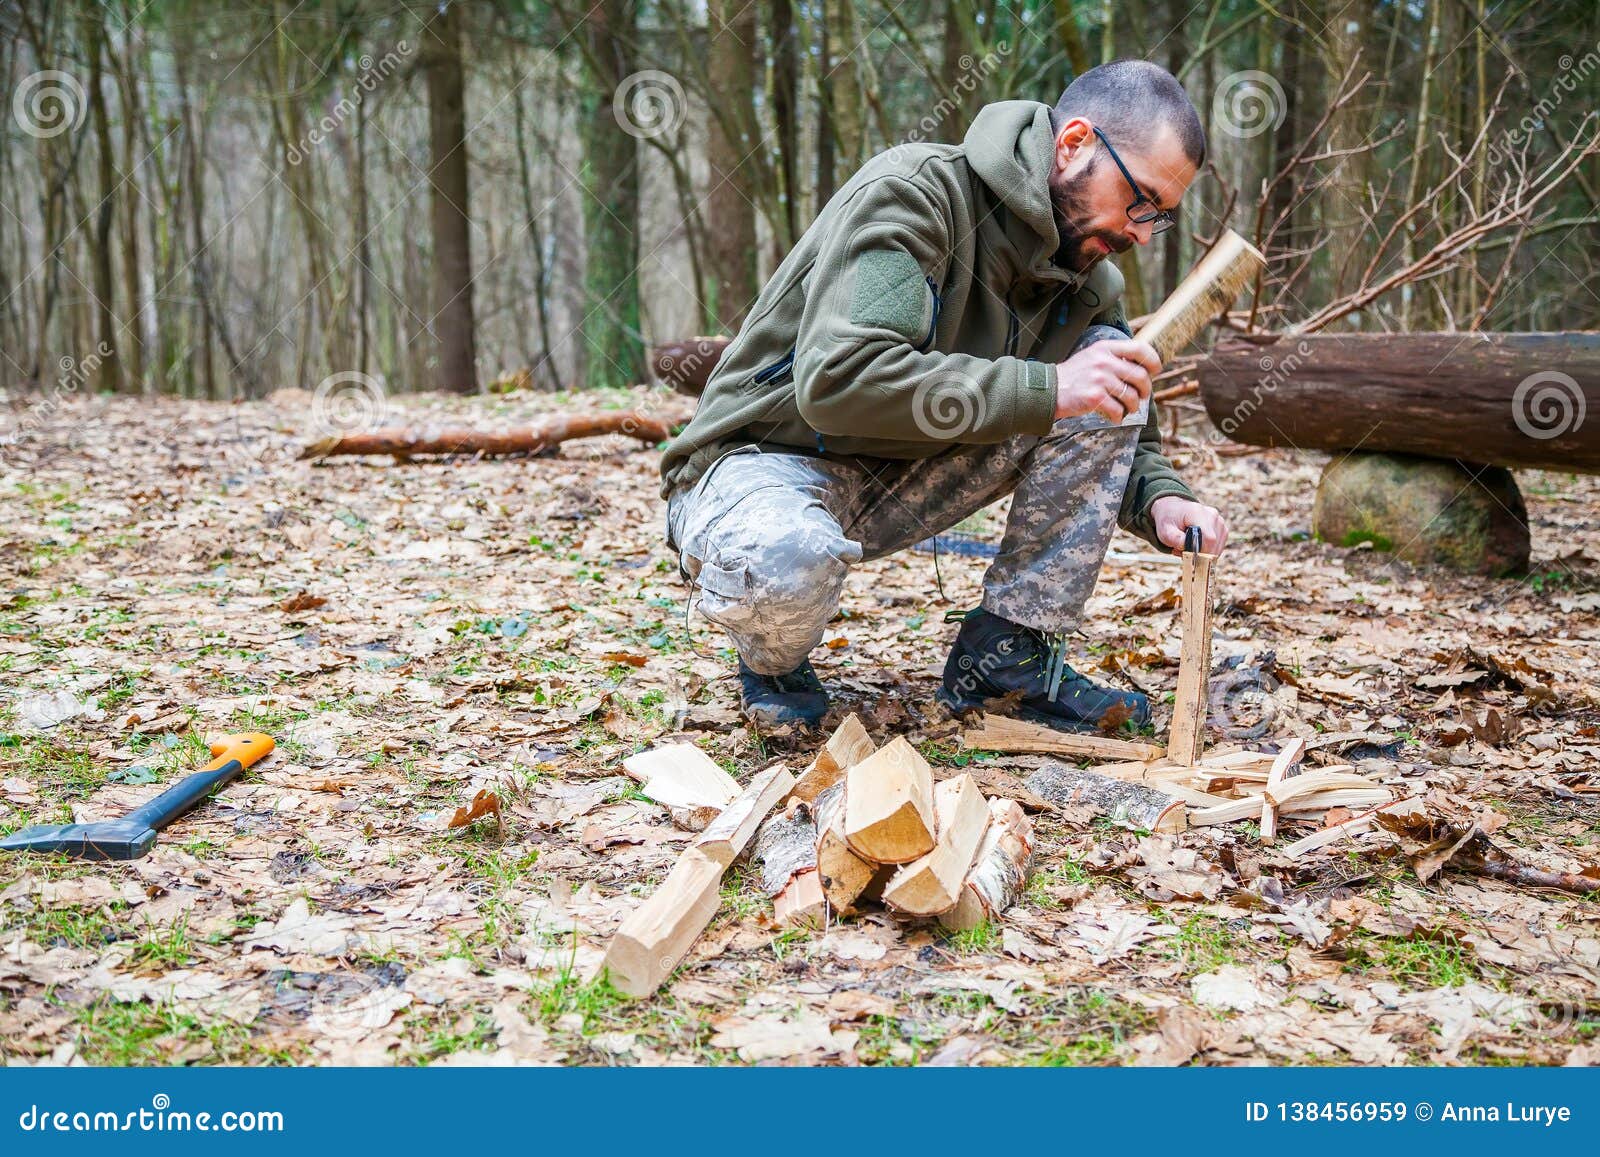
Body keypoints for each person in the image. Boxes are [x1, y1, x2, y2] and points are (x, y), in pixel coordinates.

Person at [661, 60, 1229, 730]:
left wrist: (1162, 496)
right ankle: (772, 656)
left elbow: (1114, 414)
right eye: (1140, 201)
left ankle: (1008, 655)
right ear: (1074, 144)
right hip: (764, 460)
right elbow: (838, 381)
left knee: (1110, 373)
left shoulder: (1089, 278)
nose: (1140, 233)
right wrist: (1047, 388)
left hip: (899, 473)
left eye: (1159, 217)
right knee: (789, 561)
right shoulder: (917, 196)